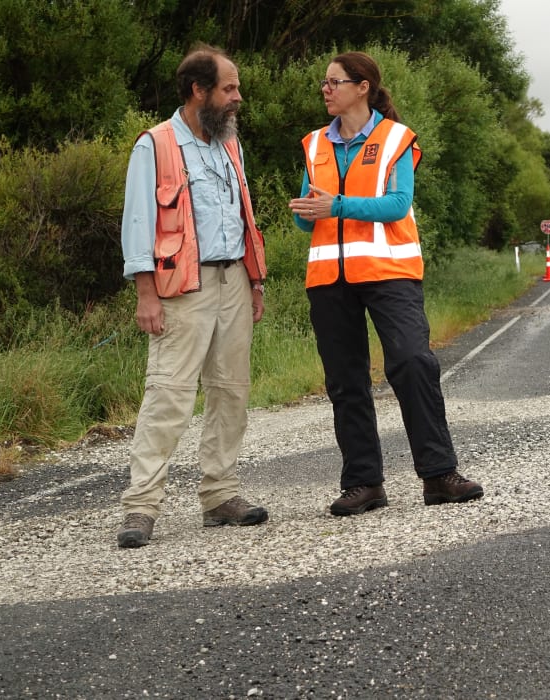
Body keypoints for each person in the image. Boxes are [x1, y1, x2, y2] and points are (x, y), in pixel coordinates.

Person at [288, 51, 483, 516]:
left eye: (334, 82)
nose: (325, 88)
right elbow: (306, 219)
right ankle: (363, 484)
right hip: (328, 280)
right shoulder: (314, 144)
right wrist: (312, 212)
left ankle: (439, 475)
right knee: (346, 382)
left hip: (390, 274)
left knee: (413, 363)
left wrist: (335, 206)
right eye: (324, 82)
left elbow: (397, 205)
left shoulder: (396, 139)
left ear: (362, 87)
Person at [117, 44, 269, 548]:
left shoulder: (230, 143)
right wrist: (146, 294)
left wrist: (255, 279)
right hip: (182, 287)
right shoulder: (155, 145)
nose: (237, 98)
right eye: (229, 88)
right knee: (168, 393)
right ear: (197, 91)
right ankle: (141, 507)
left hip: (233, 282)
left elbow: (241, 214)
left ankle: (220, 495)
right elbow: (138, 223)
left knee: (231, 391)